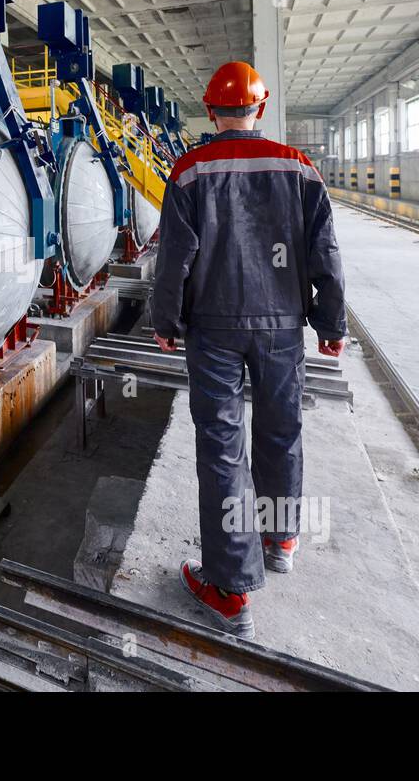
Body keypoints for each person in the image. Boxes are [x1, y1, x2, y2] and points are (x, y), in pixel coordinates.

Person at [149, 62, 346, 639]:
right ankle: (279, 539)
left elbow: (173, 261)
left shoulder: (189, 171)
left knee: (222, 448)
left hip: (213, 328)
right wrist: (329, 323)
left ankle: (231, 590)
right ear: (259, 109)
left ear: (211, 112)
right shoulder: (299, 168)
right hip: (283, 326)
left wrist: (167, 319)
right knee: (282, 429)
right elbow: (325, 255)